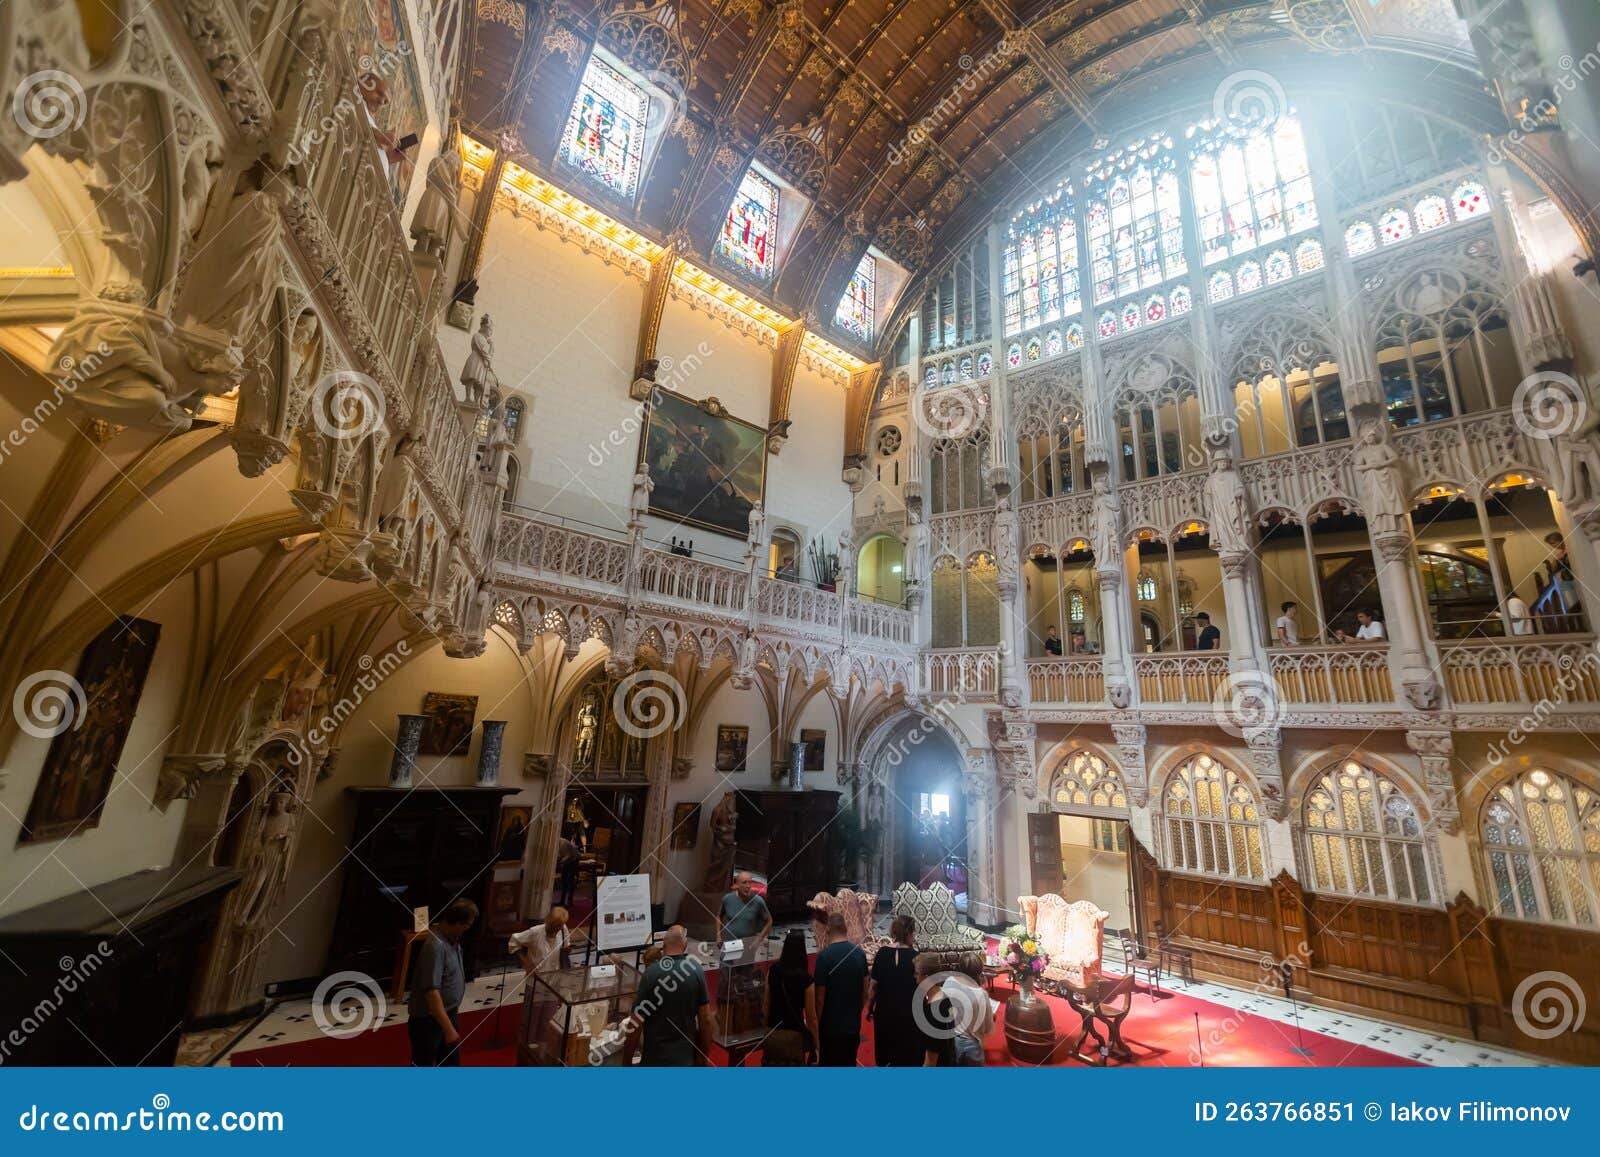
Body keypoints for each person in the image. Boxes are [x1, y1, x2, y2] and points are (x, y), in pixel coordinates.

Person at [625, 925, 713, 1066]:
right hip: (686, 1060)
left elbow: (635, 1024)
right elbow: (706, 1020)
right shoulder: (696, 971)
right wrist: (704, 1056)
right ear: (685, 945)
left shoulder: (650, 974)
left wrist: (626, 1062)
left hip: (655, 1060)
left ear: (664, 945)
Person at [407, 899, 478, 1066]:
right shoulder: (435, 946)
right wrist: (448, 1029)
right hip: (429, 1021)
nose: (467, 930)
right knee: (423, 1063)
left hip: (447, 1014)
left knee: (450, 1064)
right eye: (467, 925)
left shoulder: (452, 939)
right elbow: (431, 991)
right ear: (457, 923)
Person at [812, 910, 868, 1066]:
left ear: (828, 929)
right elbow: (865, 991)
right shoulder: (859, 954)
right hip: (852, 1025)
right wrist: (856, 1010)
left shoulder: (823, 957)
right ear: (846, 929)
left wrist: (818, 1023)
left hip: (830, 1028)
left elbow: (820, 998)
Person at [866, 915, 920, 1066]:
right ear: (909, 933)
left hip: (884, 1013)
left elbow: (873, 987)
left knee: (885, 1057)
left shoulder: (882, 953)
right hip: (908, 1015)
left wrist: (870, 1008)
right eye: (913, 932)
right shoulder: (916, 957)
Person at [762, 929, 817, 1066]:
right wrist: (816, 1045)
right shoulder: (806, 980)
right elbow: (811, 1018)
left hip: (773, 1033)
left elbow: (766, 1005)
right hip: (794, 1037)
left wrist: (765, 1031)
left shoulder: (773, 971)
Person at [942, 951, 994, 1066]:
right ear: (980, 971)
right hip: (971, 1045)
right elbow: (988, 1028)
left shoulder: (949, 981)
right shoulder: (981, 994)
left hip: (950, 1040)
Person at [913, 952, 959, 1067]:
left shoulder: (933, 1013)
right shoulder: (945, 995)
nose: (915, 977)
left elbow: (930, 1062)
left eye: (917, 973)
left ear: (926, 977)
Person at [717, 871, 773, 945]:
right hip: (729, 944)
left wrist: (759, 939)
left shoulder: (758, 901)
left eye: (750, 882)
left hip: (748, 945)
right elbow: (719, 916)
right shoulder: (727, 898)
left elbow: (769, 921)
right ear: (737, 885)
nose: (748, 886)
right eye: (744, 883)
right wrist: (718, 935)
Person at [556, 836, 581, 908]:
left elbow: (568, 855)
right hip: (568, 860)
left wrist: (560, 861)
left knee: (570, 880)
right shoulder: (558, 843)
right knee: (564, 880)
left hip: (574, 860)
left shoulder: (563, 843)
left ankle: (570, 901)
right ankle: (562, 901)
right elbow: (561, 854)